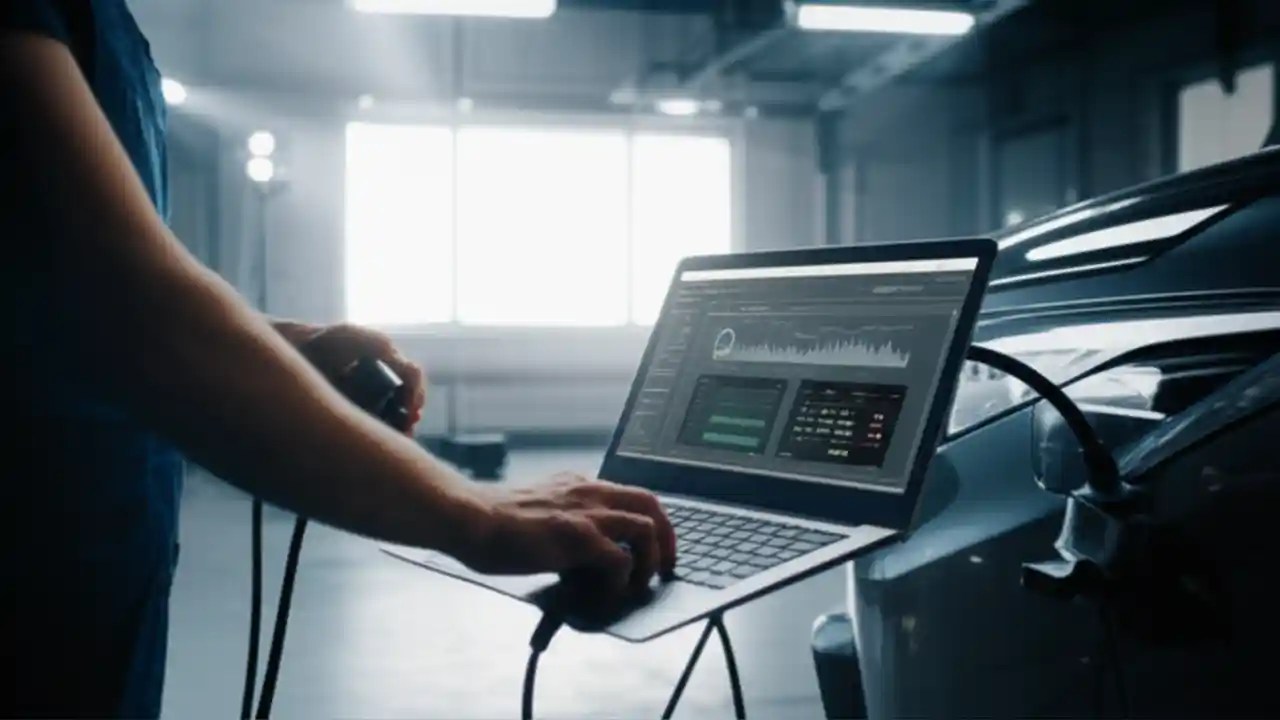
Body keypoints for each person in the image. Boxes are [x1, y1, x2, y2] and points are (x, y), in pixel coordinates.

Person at [1, 1, 675, 716]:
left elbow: (46, 287)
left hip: (90, 600)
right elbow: (126, 304)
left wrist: (287, 350)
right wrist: (473, 509)